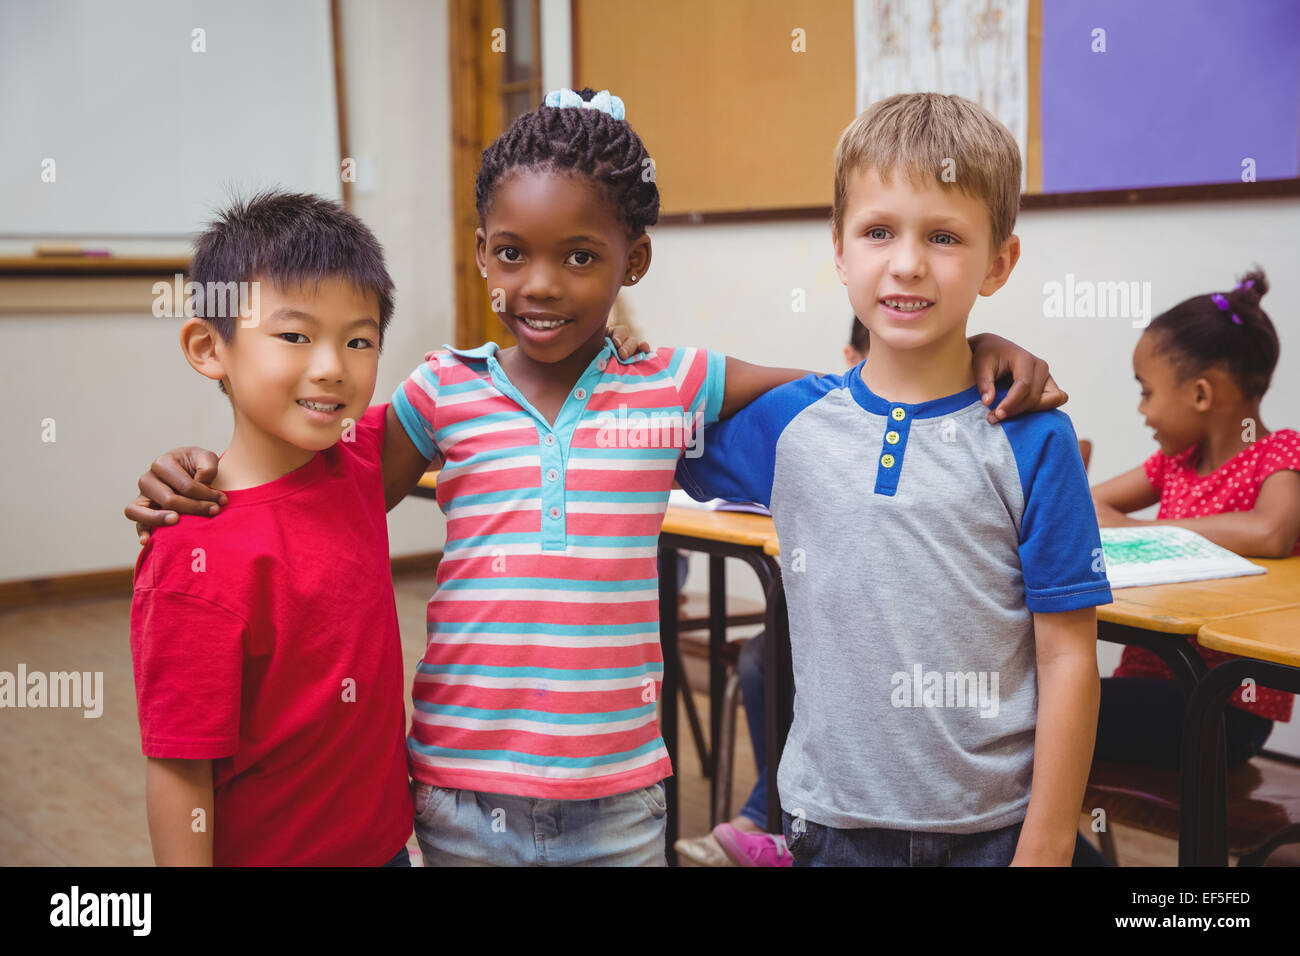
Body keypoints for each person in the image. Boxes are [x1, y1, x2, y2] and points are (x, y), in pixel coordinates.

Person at [126, 89, 1064, 866]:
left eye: (581, 257)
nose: (541, 284)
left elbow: (845, 393)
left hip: (620, 796)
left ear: (633, 260)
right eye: (512, 254)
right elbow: (321, 478)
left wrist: (974, 343)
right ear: (484, 251)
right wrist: (202, 473)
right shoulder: (442, 391)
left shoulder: (674, 386)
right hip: (459, 790)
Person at [676, 92, 1114, 866]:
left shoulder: (1031, 437)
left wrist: (1046, 846)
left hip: (996, 829)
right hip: (831, 824)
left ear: (999, 263)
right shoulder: (790, 426)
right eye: (879, 232)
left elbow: (1069, 657)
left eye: (944, 236)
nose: (907, 262)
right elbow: (628, 415)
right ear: (840, 250)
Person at [129, 191, 414, 865]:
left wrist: (614, 347)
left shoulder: (361, 460)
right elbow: (179, 771)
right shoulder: (188, 553)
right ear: (208, 348)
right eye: (294, 336)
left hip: (389, 851)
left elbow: (476, 385)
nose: (331, 366)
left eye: (359, 340)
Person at [1075, 270, 1300, 866]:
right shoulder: (1175, 462)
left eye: (1146, 391)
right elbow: (1089, 502)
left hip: (1228, 709)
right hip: (1154, 689)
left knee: (1039, 716)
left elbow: (1273, 531)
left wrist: (1151, 532)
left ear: (1200, 394)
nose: (1143, 410)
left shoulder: (1279, 455)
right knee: (1040, 712)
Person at [678, 315, 869, 867]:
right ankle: (779, 820)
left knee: (777, 661)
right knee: (767, 660)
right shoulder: (809, 421)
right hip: (825, 627)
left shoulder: (1009, 425)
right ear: (849, 356)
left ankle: (769, 818)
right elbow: (665, 447)